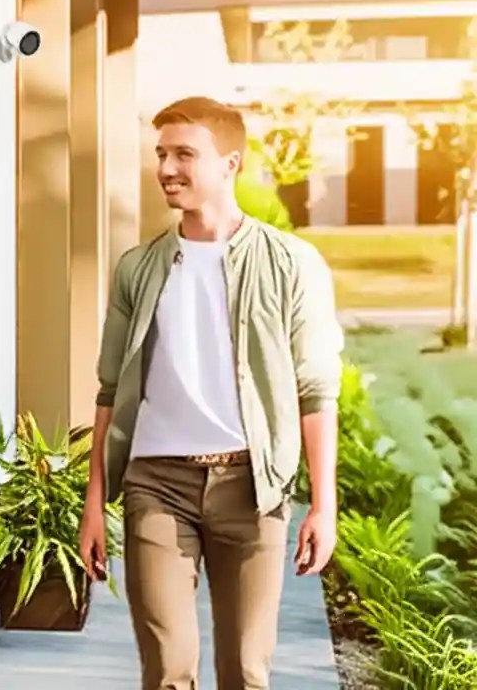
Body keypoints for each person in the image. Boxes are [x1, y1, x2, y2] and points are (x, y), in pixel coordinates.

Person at [77, 96, 342, 689]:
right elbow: (109, 388)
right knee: (169, 669)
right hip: (157, 484)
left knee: (246, 670)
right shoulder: (138, 268)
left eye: (184, 154)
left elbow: (317, 390)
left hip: (253, 488)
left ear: (230, 163)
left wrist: (323, 505)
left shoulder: (292, 263)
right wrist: (95, 501)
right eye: (161, 154)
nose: (167, 168)